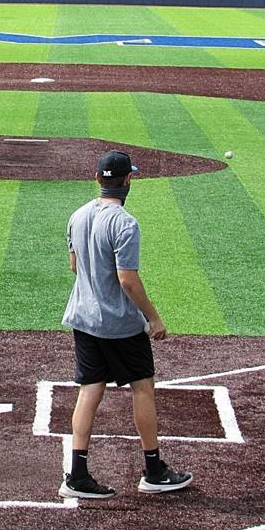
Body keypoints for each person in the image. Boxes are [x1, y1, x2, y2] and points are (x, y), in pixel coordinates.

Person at [59, 149, 193, 499]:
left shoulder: (77, 216)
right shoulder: (125, 223)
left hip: (83, 317)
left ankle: (77, 475)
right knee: (142, 386)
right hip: (119, 324)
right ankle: (153, 470)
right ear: (128, 180)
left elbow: (75, 266)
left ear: (97, 179)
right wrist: (154, 317)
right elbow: (127, 280)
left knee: (90, 390)